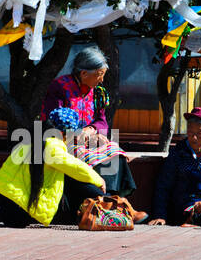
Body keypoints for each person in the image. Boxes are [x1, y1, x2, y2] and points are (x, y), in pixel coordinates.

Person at [41, 45, 137, 198]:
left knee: (115, 154)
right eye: (99, 74)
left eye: (103, 74)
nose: (102, 79)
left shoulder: (97, 92)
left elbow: (102, 121)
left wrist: (92, 130)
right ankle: (106, 202)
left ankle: (115, 200)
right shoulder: (59, 87)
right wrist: (79, 134)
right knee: (95, 158)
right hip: (66, 144)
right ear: (84, 73)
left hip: (89, 141)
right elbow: (53, 122)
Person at [0, 107, 106, 227]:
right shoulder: (51, 144)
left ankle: (101, 203)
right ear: (62, 133)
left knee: (62, 173)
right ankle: (105, 203)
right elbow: (75, 167)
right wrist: (99, 180)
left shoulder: (33, 139)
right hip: (15, 210)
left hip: (5, 206)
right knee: (72, 177)